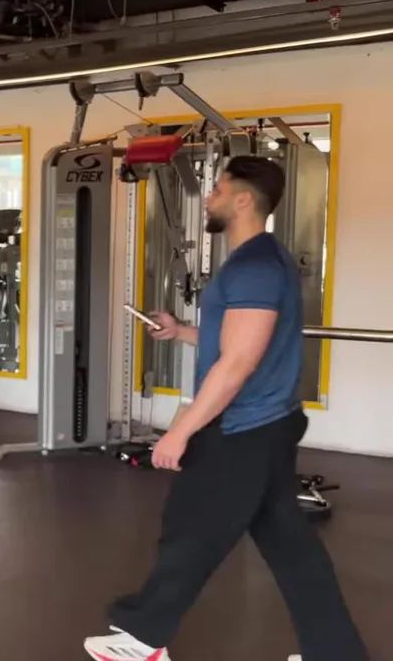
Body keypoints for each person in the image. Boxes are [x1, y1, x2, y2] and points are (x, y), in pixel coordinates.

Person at [84, 156, 367, 661]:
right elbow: (238, 341)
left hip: (243, 428)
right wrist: (181, 332)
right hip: (266, 424)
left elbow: (237, 363)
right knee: (291, 547)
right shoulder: (256, 261)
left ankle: (142, 640)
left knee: (191, 530)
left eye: (217, 189)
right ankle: (335, 654)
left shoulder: (256, 267)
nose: (208, 197)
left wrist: (180, 432)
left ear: (243, 199)